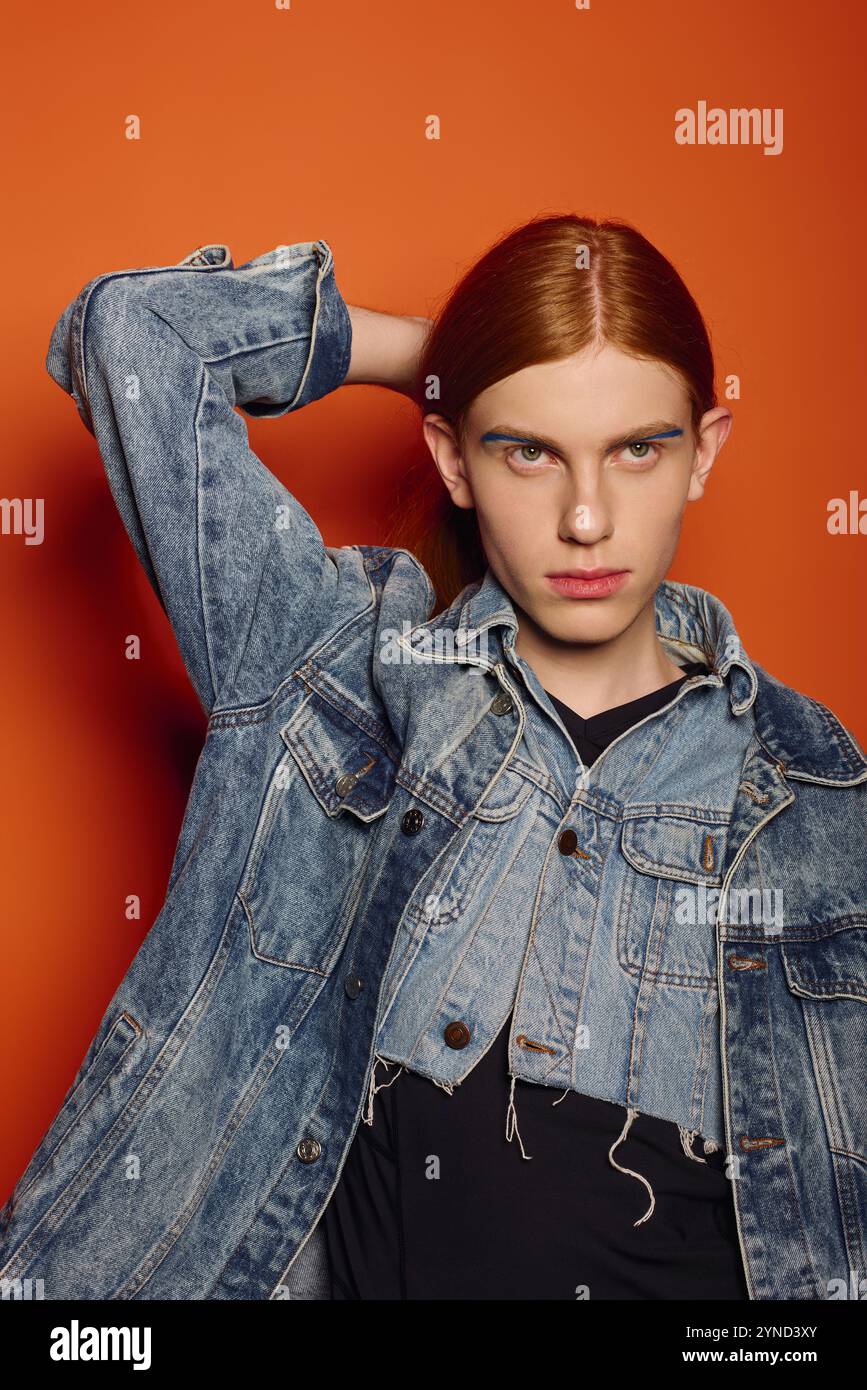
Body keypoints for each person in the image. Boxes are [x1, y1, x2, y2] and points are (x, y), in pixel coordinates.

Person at [1, 216, 864, 1302]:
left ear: (707, 452)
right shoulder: (339, 671)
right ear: (452, 456)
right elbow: (139, 336)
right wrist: (449, 353)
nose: (587, 516)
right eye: (528, 448)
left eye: (638, 447)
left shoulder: (819, 804)